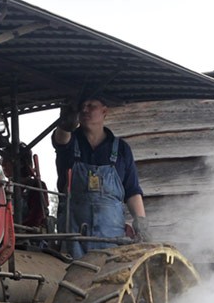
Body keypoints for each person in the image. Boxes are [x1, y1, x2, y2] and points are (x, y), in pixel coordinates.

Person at [53, 96, 149, 258]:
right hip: (74, 234)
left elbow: (132, 191)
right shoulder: (71, 141)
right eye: (82, 106)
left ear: (104, 111)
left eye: (91, 106)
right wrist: (64, 125)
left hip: (112, 235)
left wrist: (141, 223)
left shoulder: (121, 150)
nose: (85, 110)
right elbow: (60, 140)